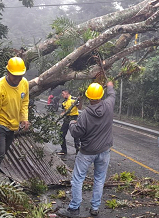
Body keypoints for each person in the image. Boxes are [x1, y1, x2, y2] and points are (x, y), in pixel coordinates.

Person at [58, 82, 115, 217]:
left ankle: (74, 209)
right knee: (99, 179)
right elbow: (112, 94)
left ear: (89, 98)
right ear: (101, 95)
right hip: (104, 151)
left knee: (78, 179)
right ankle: (95, 208)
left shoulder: (85, 114)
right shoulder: (109, 105)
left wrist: (72, 123)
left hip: (87, 152)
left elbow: (77, 133)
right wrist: (110, 85)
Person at [0, 57, 30, 182]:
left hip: (13, 125)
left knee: (0, 155)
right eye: (14, 76)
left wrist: (24, 118)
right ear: (8, 72)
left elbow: (24, 102)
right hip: (0, 124)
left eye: (20, 76)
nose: (17, 79)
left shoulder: (24, 83)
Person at [58, 89, 81, 155]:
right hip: (67, 118)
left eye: (63, 93)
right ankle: (63, 150)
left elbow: (79, 108)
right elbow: (65, 110)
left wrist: (80, 100)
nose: (62, 95)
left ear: (66, 93)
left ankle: (78, 150)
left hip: (74, 117)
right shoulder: (64, 102)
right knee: (61, 134)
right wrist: (62, 113)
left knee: (75, 134)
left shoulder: (74, 99)